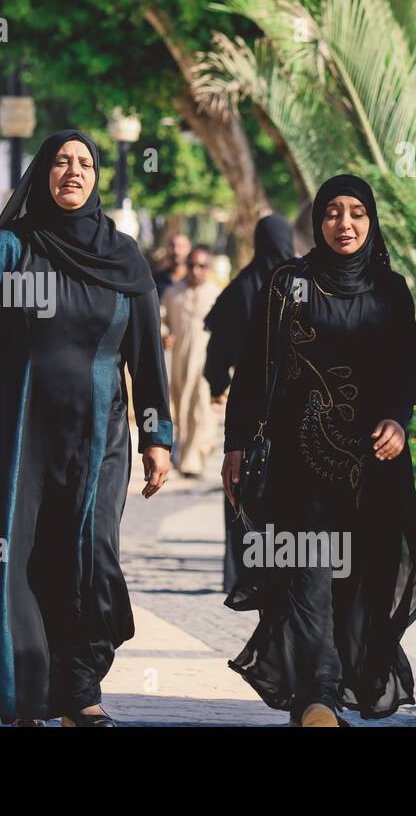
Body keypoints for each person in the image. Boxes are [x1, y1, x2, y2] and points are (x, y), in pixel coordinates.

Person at [0, 129, 172, 727]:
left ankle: (78, 687)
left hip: (102, 435)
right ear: (43, 171)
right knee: (20, 557)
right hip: (17, 430)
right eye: (62, 161)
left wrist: (157, 435)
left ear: (97, 178)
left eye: (86, 163)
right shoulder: (12, 248)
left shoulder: (123, 256)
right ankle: (31, 697)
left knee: (91, 556)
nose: (74, 171)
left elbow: (147, 355)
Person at [221, 174, 416, 726]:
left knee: (361, 581)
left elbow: (403, 372)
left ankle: (321, 694)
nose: (345, 224)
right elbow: (252, 369)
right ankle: (319, 695)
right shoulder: (289, 283)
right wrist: (236, 443)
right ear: (317, 221)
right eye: (333, 212)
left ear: (372, 220)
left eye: (357, 212)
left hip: (374, 468)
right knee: (307, 575)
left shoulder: (392, 290)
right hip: (299, 466)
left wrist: (398, 420)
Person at [204, 215, 296, 591]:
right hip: (292, 401)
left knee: (242, 481)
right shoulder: (301, 282)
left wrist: (219, 383)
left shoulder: (242, 286)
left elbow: (217, 346)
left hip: (249, 401)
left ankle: (241, 574)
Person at [162, 245, 222, 477]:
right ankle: (186, 453)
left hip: (206, 363)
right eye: (192, 265)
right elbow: (160, 318)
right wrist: (165, 333)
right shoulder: (174, 293)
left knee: (201, 410)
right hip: (179, 362)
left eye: (201, 266)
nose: (196, 271)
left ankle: (192, 461)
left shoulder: (216, 294)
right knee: (181, 410)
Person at [153, 232, 191, 298]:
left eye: (180, 247)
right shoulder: (156, 279)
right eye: (172, 246)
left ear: (189, 249)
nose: (176, 251)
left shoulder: (193, 279)